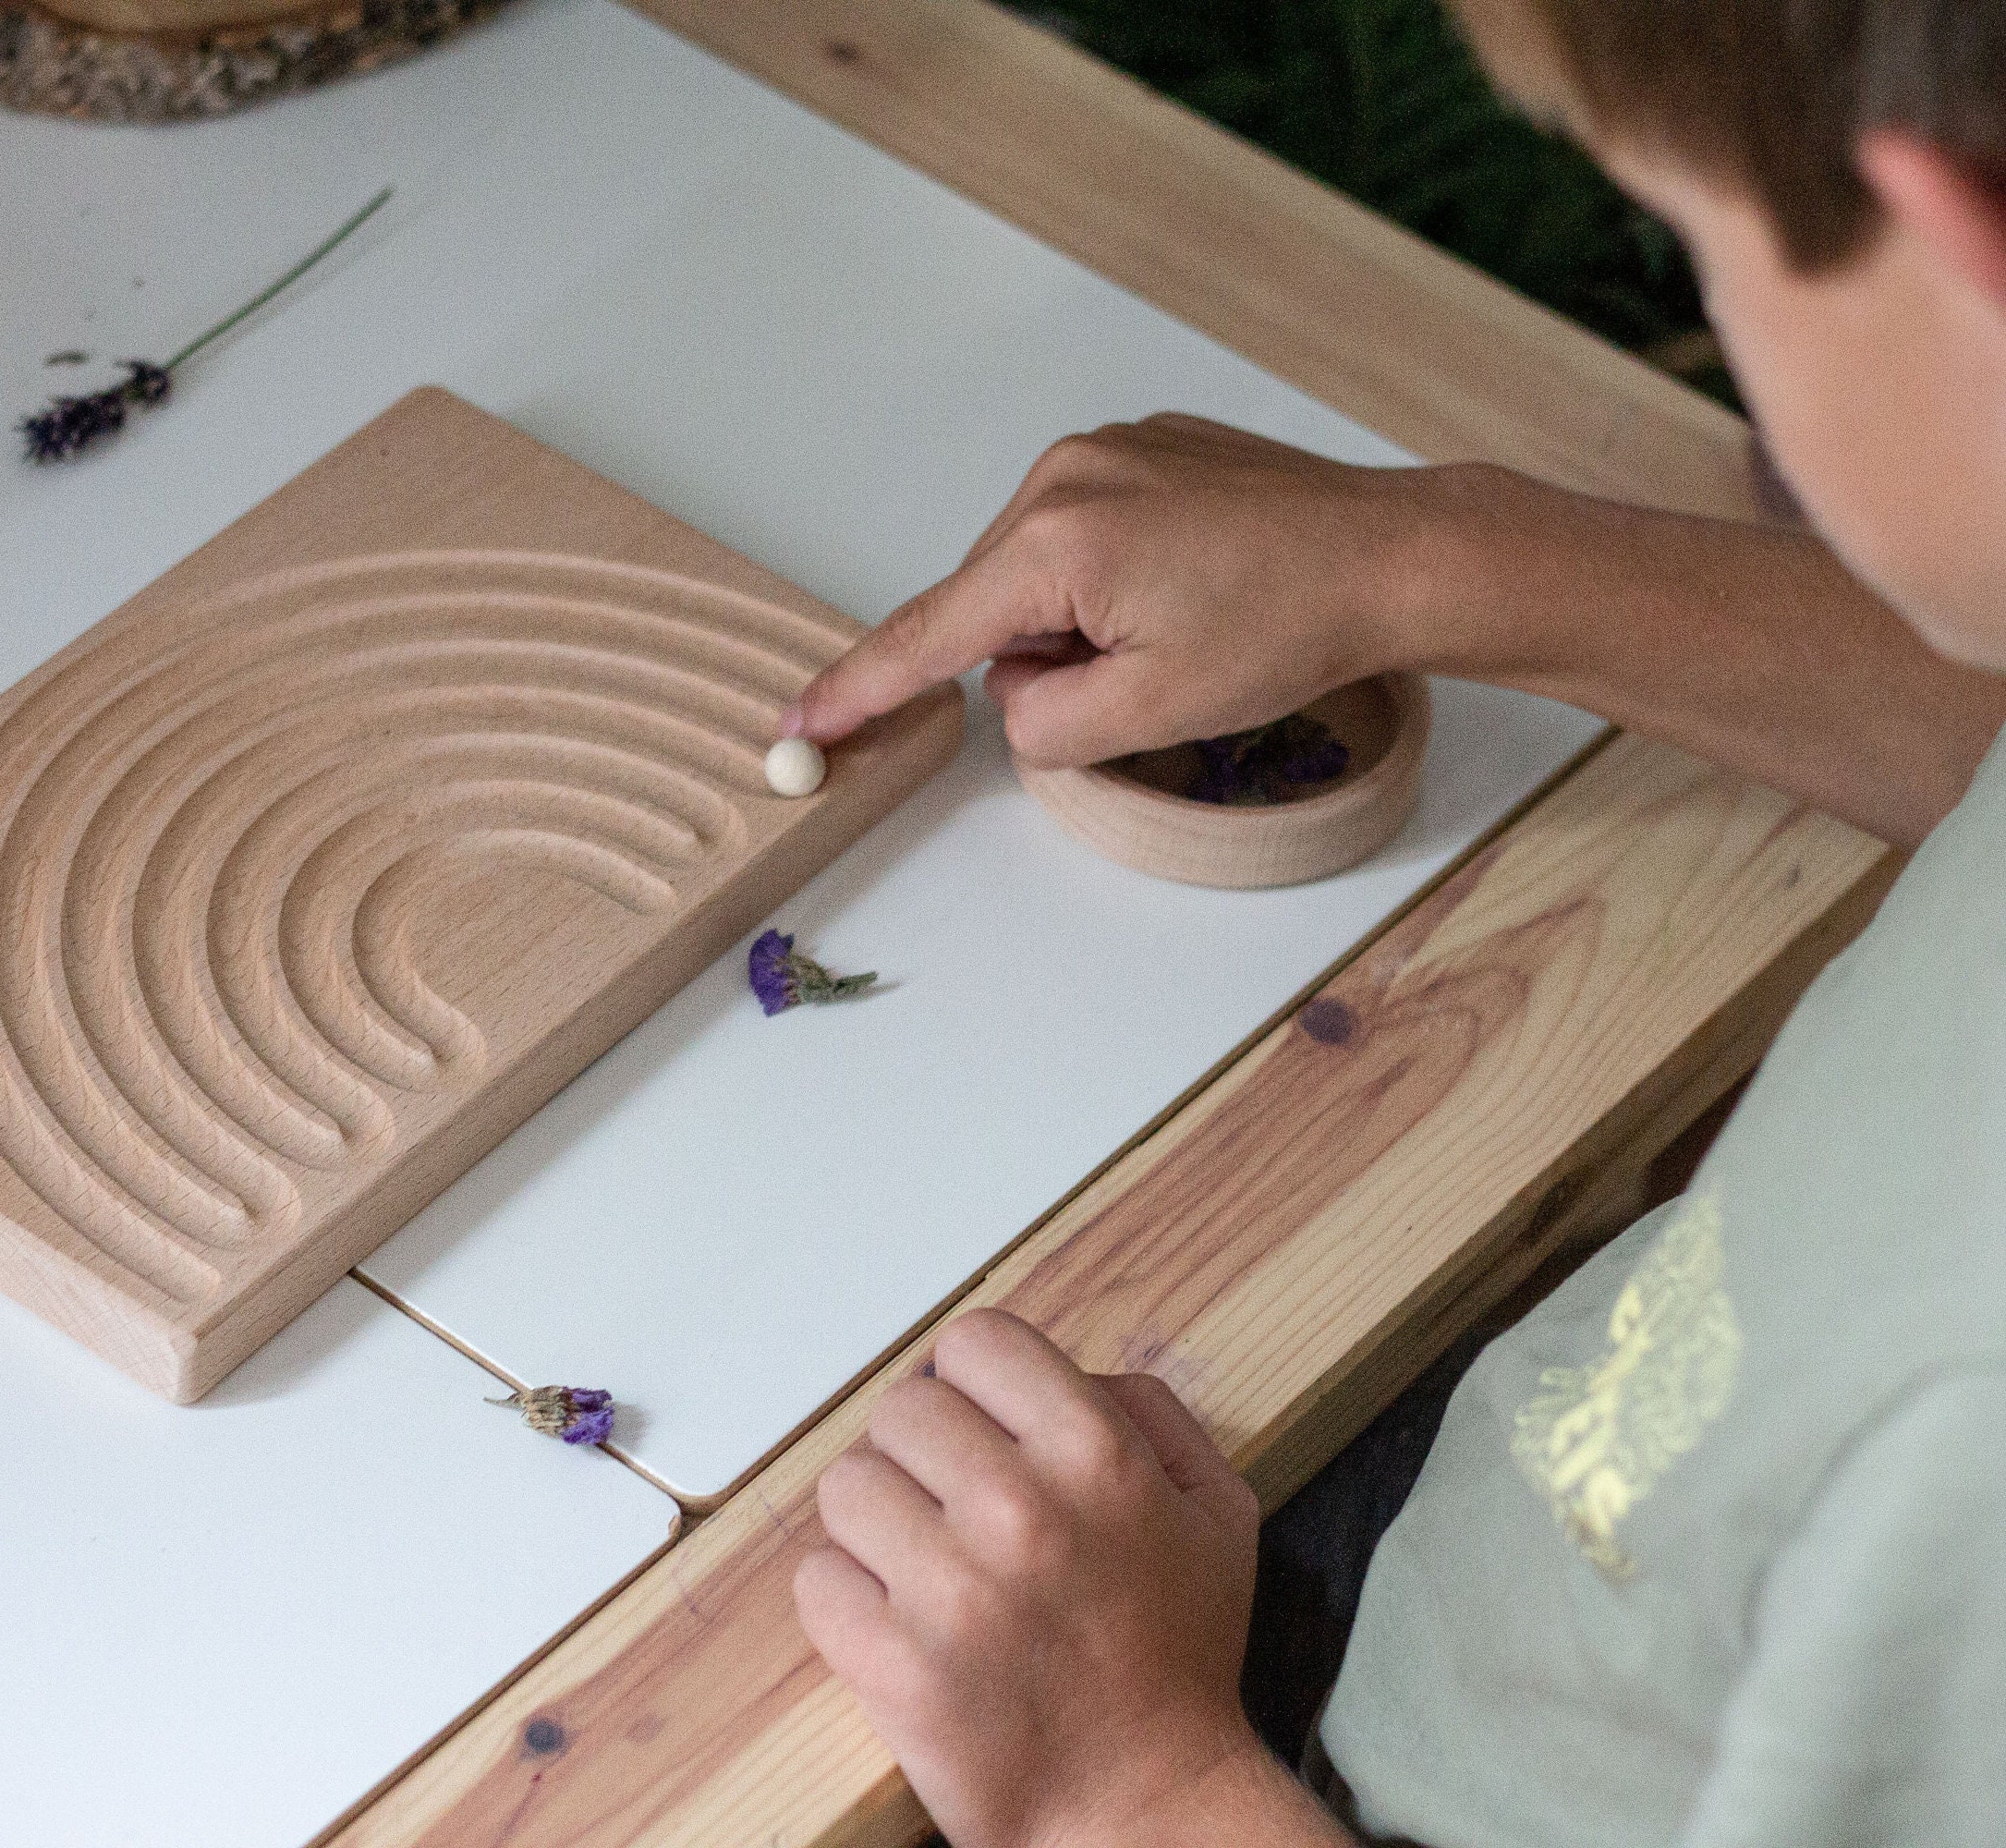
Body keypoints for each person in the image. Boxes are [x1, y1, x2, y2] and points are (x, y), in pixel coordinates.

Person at [777, 3, 2006, 1843]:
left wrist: (1128, 1783)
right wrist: (1417, 565)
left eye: (1705, 243)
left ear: (1959, 239)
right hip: (1544, 1561)